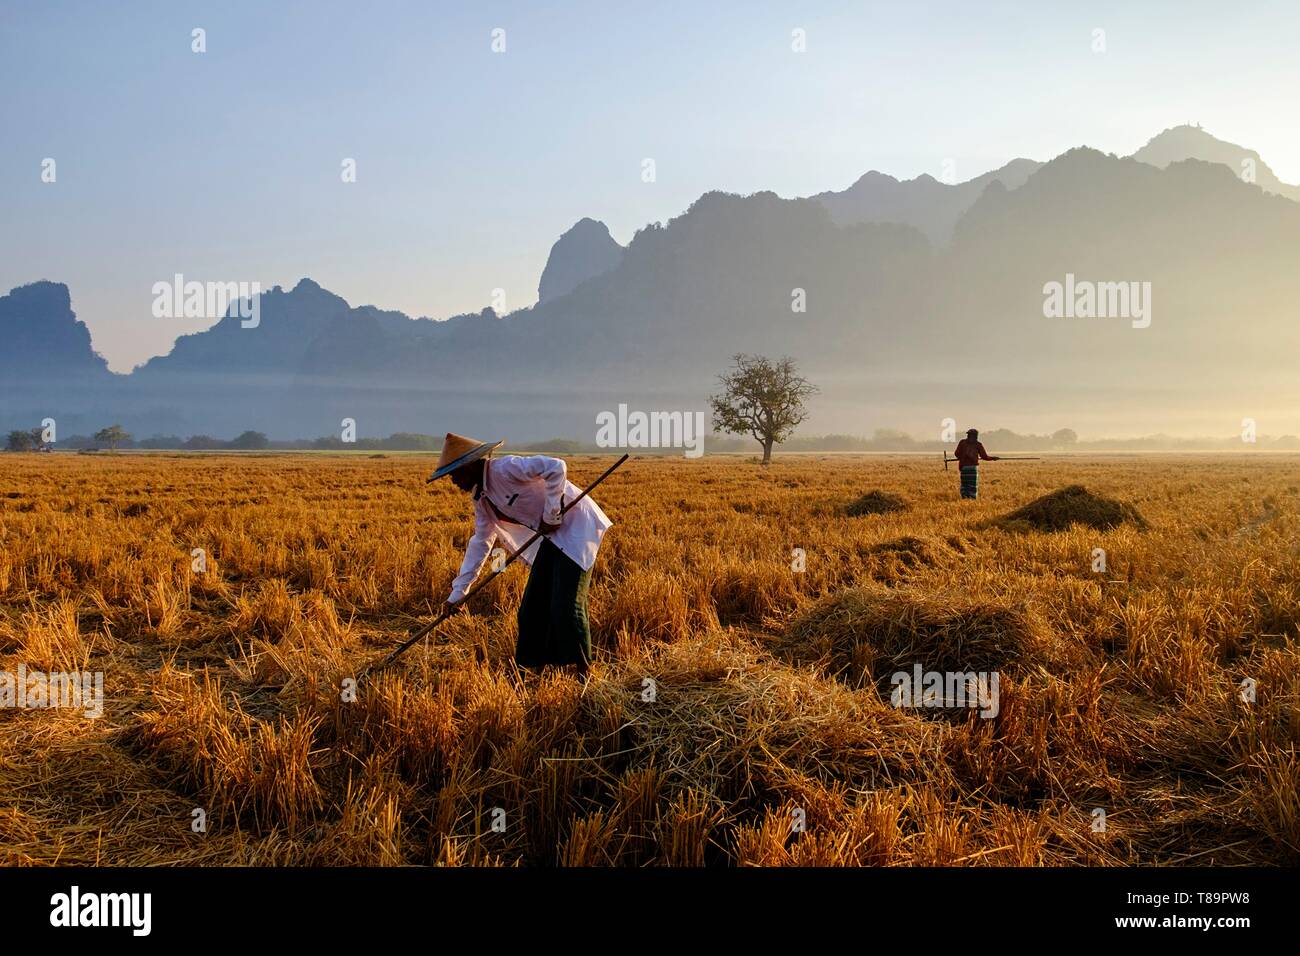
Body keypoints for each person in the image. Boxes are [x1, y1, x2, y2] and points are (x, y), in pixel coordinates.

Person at [429, 432, 612, 680]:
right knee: (531, 609)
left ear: (471, 466)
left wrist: (551, 514)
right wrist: (458, 594)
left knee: (566, 607)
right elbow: (481, 543)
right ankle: (528, 671)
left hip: (577, 528)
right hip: (550, 537)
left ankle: (585, 674)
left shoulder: (506, 469)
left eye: (455, 473)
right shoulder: (481, 500)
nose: (452, 480)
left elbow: (556, 467)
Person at [952, 428, 999, 499]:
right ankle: (972, 499)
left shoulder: (962, 442)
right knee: (973, 485)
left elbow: (956, 453)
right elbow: (984, 457)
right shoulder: (978, 444)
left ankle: (964, 498)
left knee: (965, 485)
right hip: (973, 468)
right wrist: (993, 458)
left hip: (964, 468)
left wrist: (962, 457)